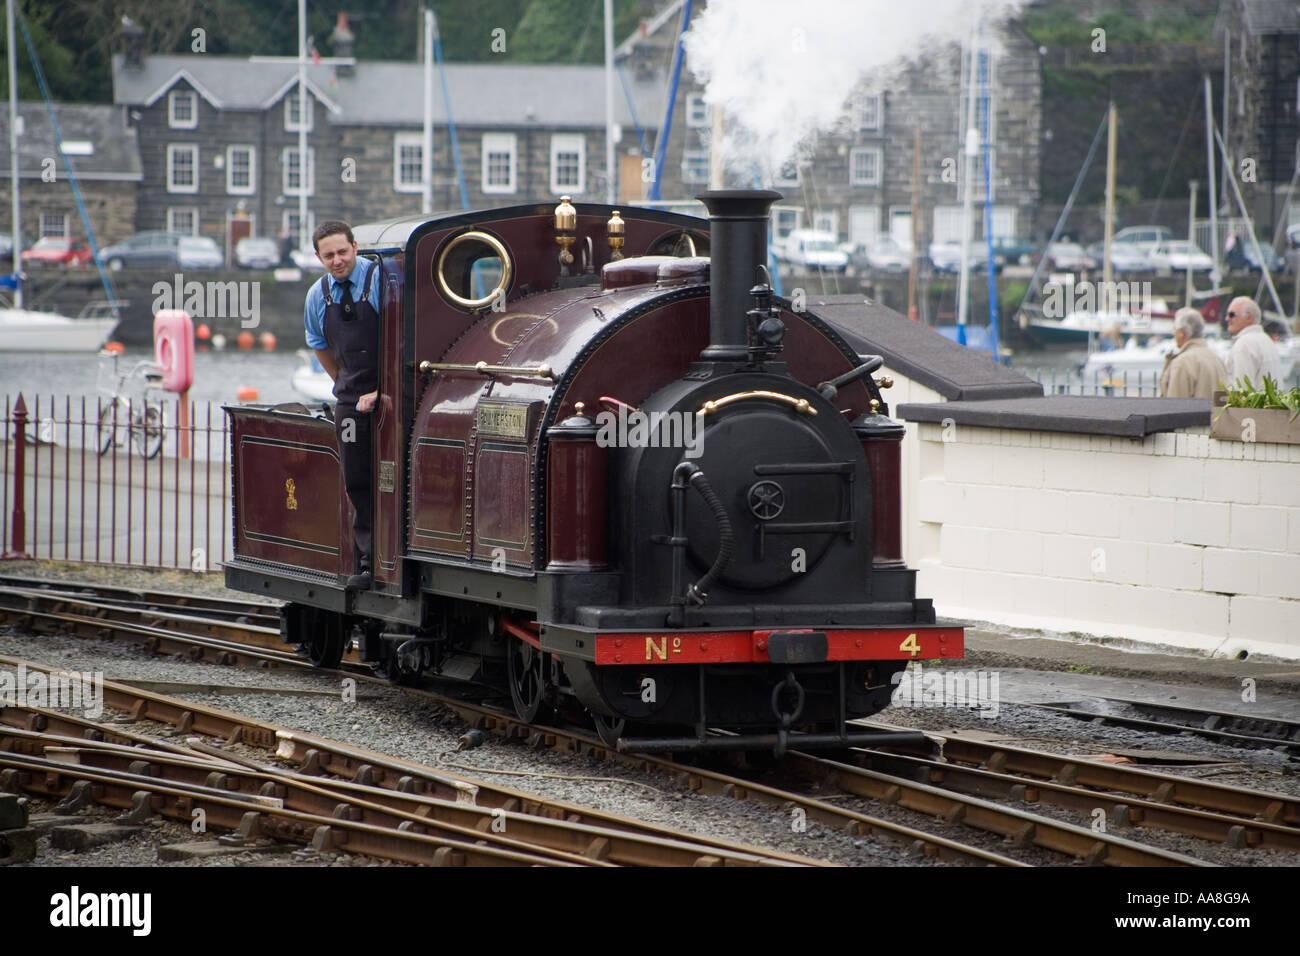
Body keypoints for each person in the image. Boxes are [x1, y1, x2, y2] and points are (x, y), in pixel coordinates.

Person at [303, 220, 382, 589]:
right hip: (351, 398)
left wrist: (384, 389)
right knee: (357, 479)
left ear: (355, 246)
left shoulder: (382, 281)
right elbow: (319, 343)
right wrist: (345, 384)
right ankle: (366, 563)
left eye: (342, 252)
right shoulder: (317, 296)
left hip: (393, 390)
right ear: (319, 257)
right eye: (329, 255)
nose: (337, 261)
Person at [1158, 307, 1227, 399]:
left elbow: (1175, 407)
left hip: (1196, 413)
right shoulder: (1217, 359)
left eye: (1174, 329)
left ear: (1181, 332)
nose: (1173, 333)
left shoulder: (1182, 363)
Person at [1224, 296, 1283, 388]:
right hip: (1272, 402)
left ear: (1248, 317)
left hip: (1257, 402)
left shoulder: (1244, 344)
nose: (1227, 318)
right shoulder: (1267, 340)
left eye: (1231, 314)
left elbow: (1242, 389)